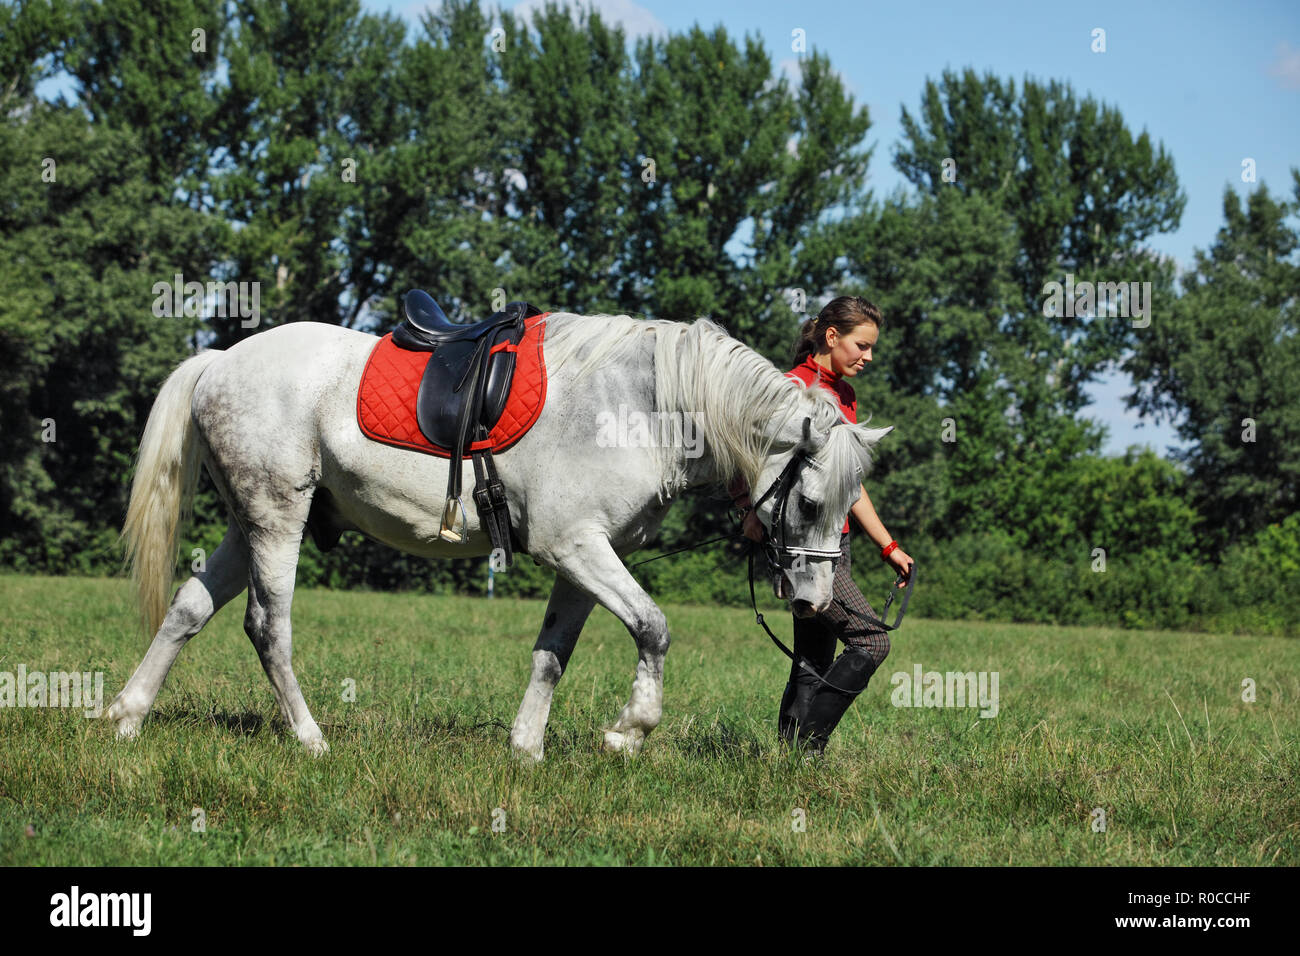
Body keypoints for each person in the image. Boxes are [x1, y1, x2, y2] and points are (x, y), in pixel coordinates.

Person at [730, 296, 914, 755]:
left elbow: (849, 484)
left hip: (838, 545)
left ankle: (791, 757)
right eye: (862, 345)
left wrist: (887, 545)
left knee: (815, 654)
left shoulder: (847, 397)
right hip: (802, 547)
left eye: (871, 348)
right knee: (871, 643)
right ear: (832, 337)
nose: (869, 357)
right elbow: (741, 453)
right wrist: (746, 511)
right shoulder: (790, 389)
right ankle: (810, 747)